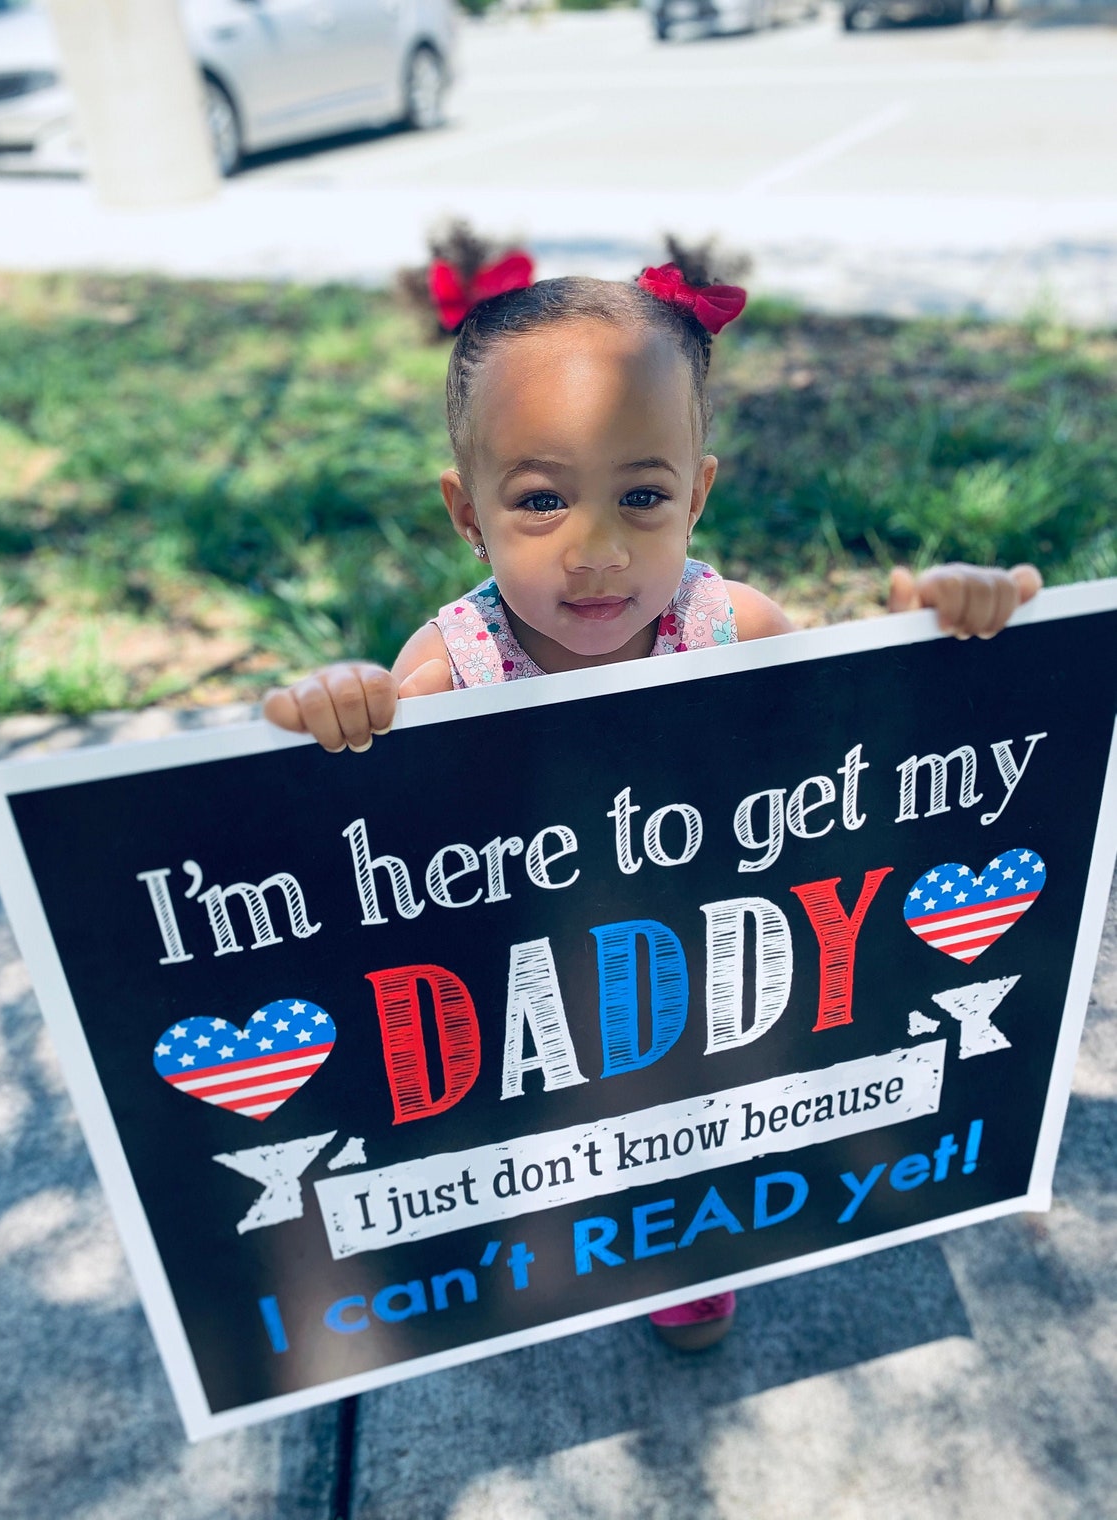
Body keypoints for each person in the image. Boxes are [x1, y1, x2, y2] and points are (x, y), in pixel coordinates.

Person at [263, 252, 1041, 1349]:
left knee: (702, 1121)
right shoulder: (450, 666)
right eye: (541, 499)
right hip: (547, 986)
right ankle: (591, 1232)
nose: (597, 549)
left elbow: (872, 746)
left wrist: (947, 636)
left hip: (715, 964)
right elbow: (365, 830)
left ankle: (686, 1241)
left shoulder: (738, 625)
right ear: (466, 511)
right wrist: (339, 708)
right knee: (578, 1134)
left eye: (641, 494)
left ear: (699, 491)